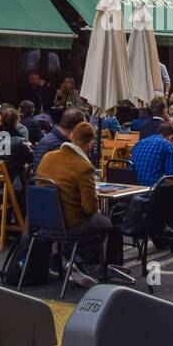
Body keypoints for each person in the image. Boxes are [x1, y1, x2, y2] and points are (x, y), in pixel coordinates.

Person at [36, 122, 120, 286]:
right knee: (105, 224)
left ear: (71, 136)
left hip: (43, 220)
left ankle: (66, 256)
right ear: (90, 143)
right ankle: (79, 260)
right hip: (69, 224)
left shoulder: (48, 157)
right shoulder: (83, 166)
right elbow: (90, 208)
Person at [130, 122, 173, 186]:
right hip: (152, 190)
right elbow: (172, 178)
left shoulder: (139, 143)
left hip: (133, 188)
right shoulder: (168, 145)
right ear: (171, 137)